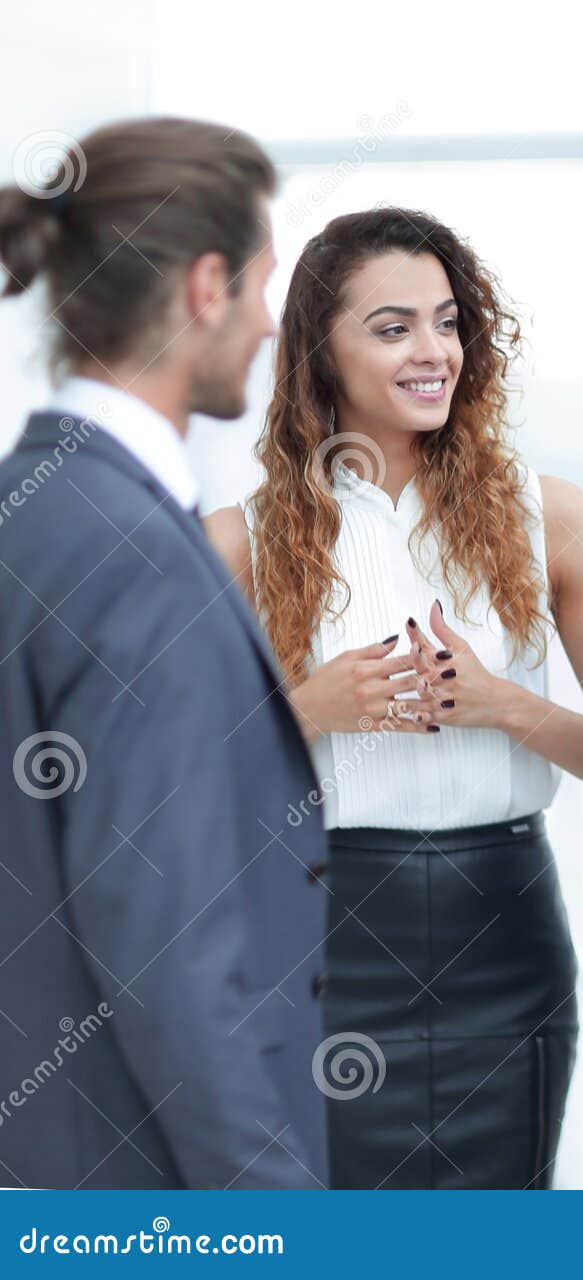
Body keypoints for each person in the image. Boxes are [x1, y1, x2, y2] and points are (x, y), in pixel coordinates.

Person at [203, 206, 583, 1189]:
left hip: (508, 945)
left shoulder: (551, 516)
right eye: (393, 326)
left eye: (447, 321)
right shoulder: (239, 540)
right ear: (321, 349)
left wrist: (508, 707)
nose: (433, 350)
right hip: (320, 947)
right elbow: (164, 792)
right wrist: (305, 710)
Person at [0, 117, 328, 1188]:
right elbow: (167, 941)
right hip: (141, 1177)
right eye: (262, 286)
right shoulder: (132, 550)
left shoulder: (34, 509)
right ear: (204, 288)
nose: (272, 328)